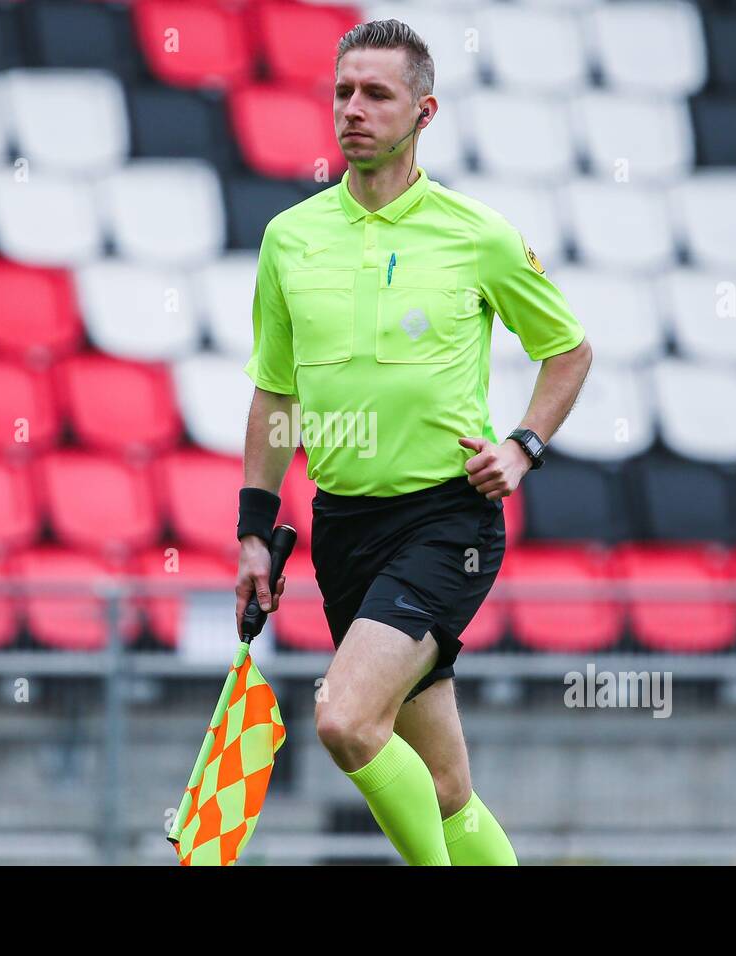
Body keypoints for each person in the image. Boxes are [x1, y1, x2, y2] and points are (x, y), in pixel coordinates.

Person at [234, 19, 593, 865]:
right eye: (343, 91)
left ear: (424, 111)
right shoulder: (290, 239)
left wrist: (523, 447)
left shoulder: (478, 235)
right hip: (342, 528)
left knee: (346, 720)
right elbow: (275, 392)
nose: (352, 109)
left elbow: (568, 349)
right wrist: (254, 527)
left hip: (446, 523)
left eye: (376, 94)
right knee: (444, 789)